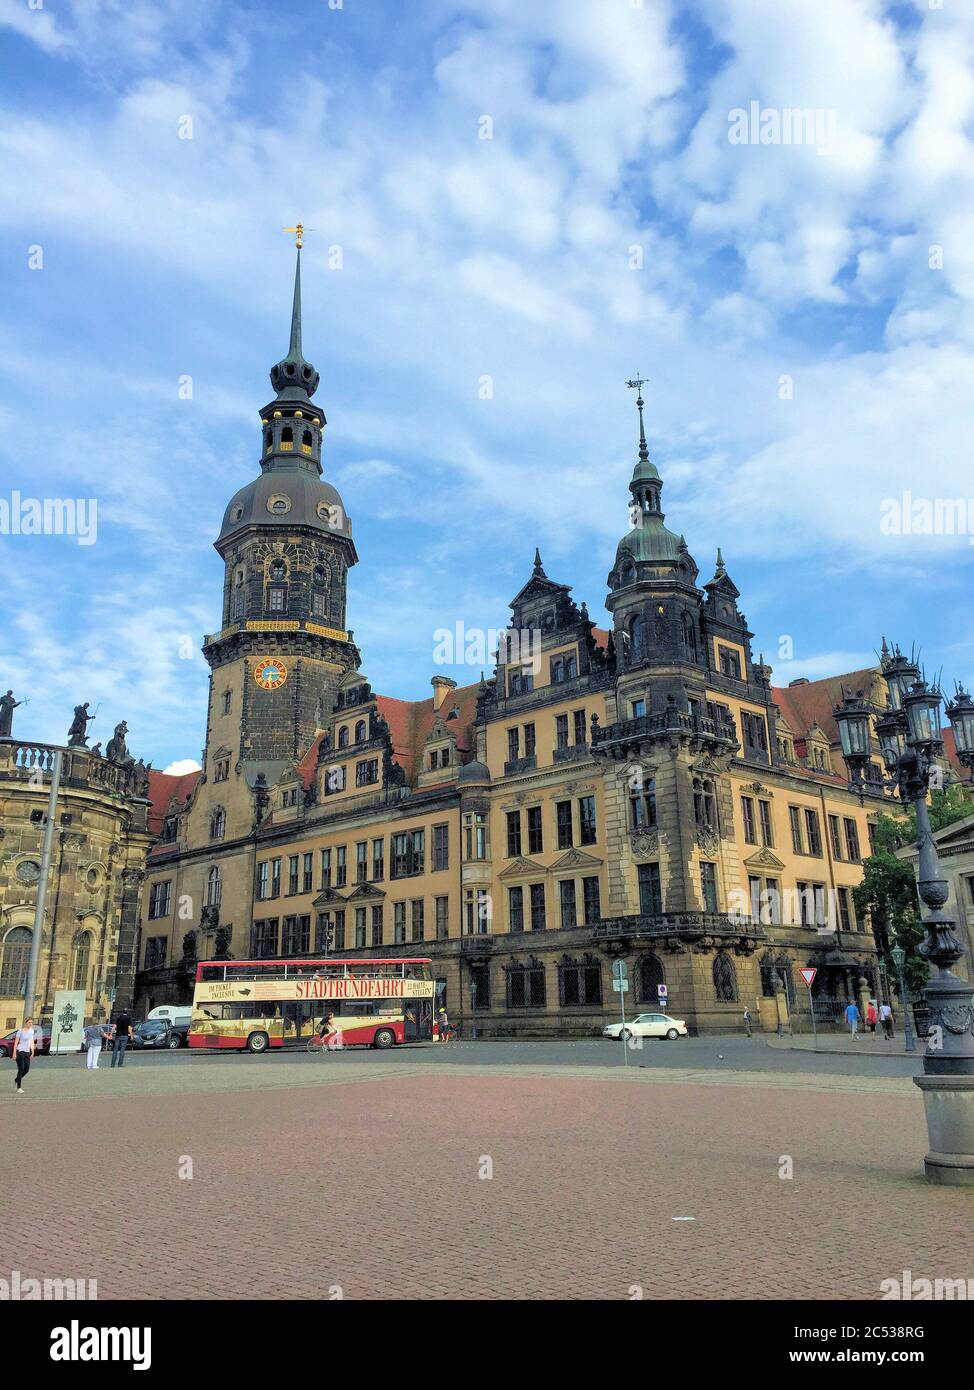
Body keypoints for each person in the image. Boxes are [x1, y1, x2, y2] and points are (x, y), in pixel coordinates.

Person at [12, 1016, 36, 1093]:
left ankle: (17, 1079)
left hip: (27, 1052)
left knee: (26, 1069)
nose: (30, 1024)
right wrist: (14, 1053)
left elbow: (31, 1041)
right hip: (20, 1051)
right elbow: (16, 1043)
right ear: (25, 1023)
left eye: (31, 1022)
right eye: (29, 1022)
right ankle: (19, 1087)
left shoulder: (31, 1031)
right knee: (21, 1068)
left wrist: (32, 1051)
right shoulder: (20, 1031)